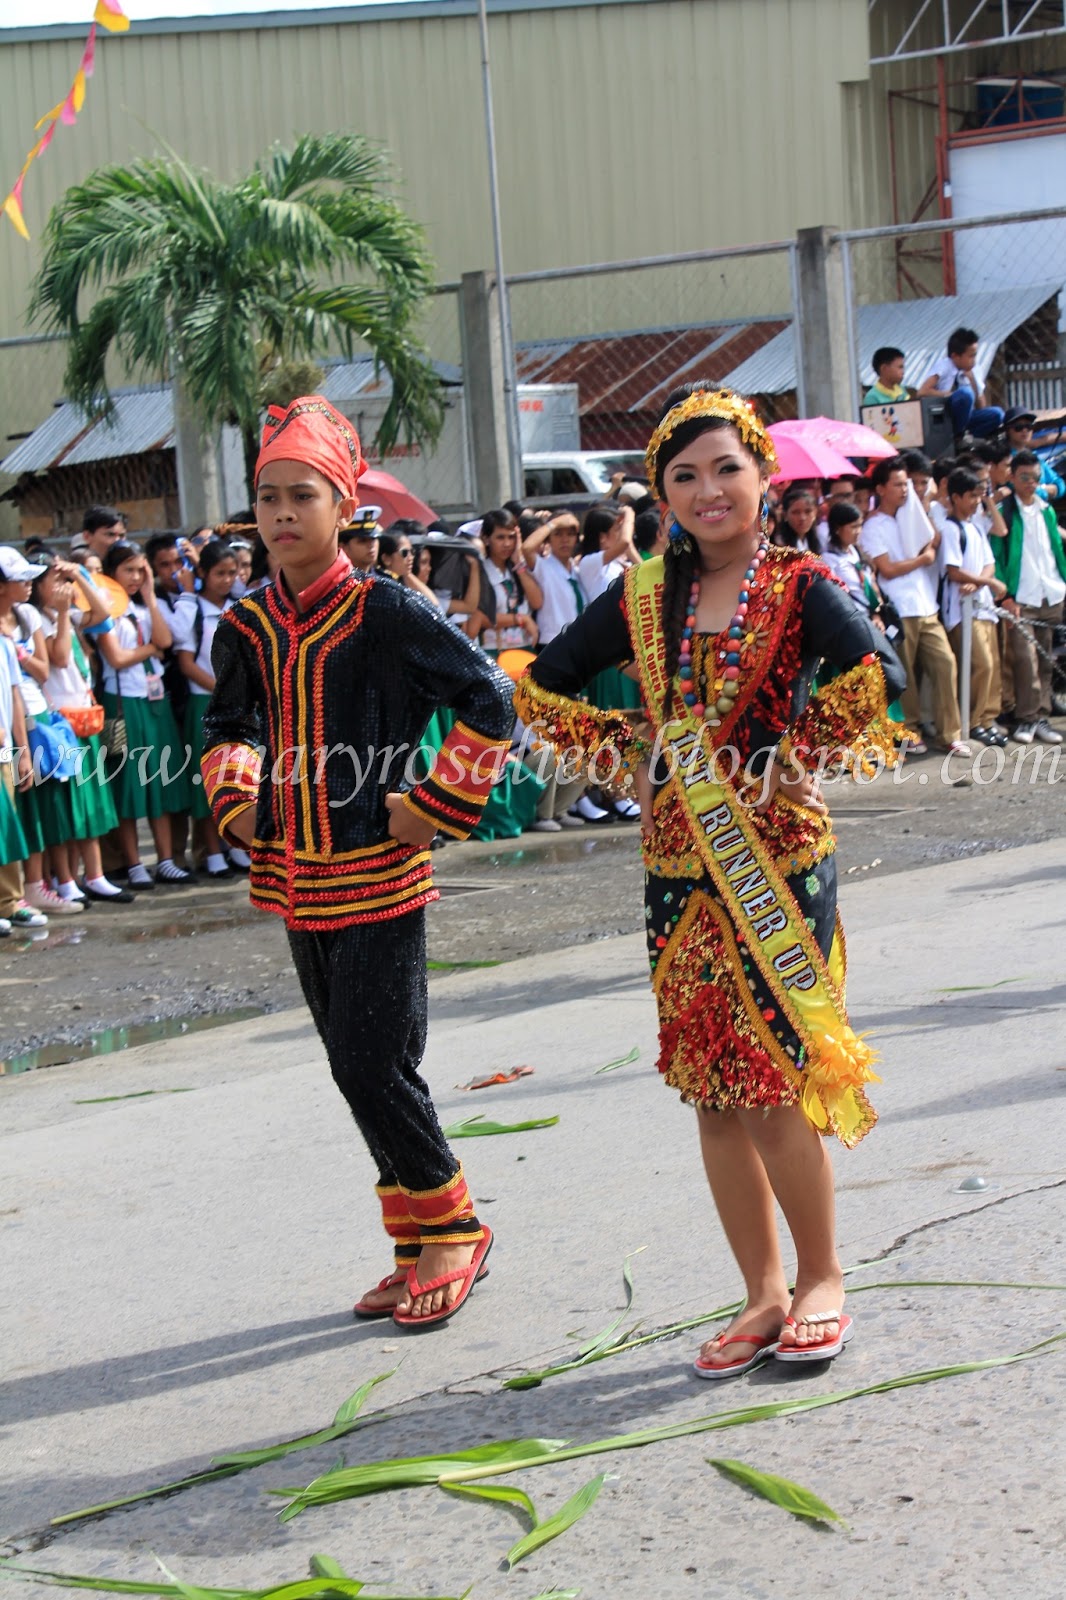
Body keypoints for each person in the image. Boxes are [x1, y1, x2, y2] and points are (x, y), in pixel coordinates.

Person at [517, 383, 905, 1374]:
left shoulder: (800, 584)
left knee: (773, 1080)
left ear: (764, 479)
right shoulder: (644, 596)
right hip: (679, 871)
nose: (706, 490)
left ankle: (821, 1275)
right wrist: (630, 757)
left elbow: (875, 682)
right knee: (712, 1090)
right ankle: (762, 1293)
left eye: (725, 468)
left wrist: (788, 760)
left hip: (776, 863)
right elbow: (543, 682)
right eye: (681, 476)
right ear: (660, 492)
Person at [201, 395, 513, 1328]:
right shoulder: (247, 623)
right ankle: (414, 1239)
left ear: (345, 508)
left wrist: (434, 806)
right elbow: (226, 726)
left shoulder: (386, 610)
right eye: (268, 498)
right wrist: (240, 800)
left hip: (379, 874)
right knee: (356, 1066)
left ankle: (455, 1225)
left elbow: (490, 698)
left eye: (304, 495)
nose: (284, 514)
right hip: (296, 875)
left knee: (375, 1059)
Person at [30, 553, 133, 902]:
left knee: (91, 804)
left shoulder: (70, 614)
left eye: (65, 582)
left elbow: (104, 614)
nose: (63, 588)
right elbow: (58, 657)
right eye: (54, 581)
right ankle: (67, 880)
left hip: (84, 717)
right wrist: (60, 613)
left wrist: (80, 577)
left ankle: (96, 875)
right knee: (66, 809)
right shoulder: (40, 620)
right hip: (60, 723)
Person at [97, 540, 195, 887]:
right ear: (112, 573)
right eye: (129, 570)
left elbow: (165, 640)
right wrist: (151, 648)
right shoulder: (103, 609)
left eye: (141, 570)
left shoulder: (142, 605)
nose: (136, 577)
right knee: (128, 783)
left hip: (154, 700)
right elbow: (117, 658)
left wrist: (151, 595)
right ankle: (135, 863)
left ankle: (166, 860)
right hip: (121, 704)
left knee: (161, 779)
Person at [860, 456, 968, 756]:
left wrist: (924, 512)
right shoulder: (872, 526)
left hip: (925, 604)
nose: (904, 490)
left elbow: (932, 537)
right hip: (899, 606)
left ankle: (950, 733)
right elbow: (887, 568)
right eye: (897, 484)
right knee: (904, 674)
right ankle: (911, 729)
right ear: (881, 488)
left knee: (945, 664)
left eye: (905, 483)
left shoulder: (911, 512)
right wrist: (922, 559)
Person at [171, 541, 243, 878]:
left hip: (239, 703)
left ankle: (237, 845)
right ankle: (212, 852)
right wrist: (223, 691)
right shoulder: (192, 611)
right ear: (202, 574)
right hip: (206, 702)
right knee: (207, 779)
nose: (227, 579)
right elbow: (186, 664)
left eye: (232, 573)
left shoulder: (241, 607)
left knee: (239, 774)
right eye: (219, 573)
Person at [993, 451, 1066, 746]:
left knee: (1046, 660)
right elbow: (997, 557)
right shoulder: (1004, 510)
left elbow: (1054, 551)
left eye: (1036, 478)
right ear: (1012, 477)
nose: (1031, 483)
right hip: (1020, 597)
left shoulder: (1045, 509)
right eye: (1024, 477)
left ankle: (1041, 717)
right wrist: (1006, 596)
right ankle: (1026, 717)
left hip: (1050, 592)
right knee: (1024, 660)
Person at [939, 468, 1009, 749]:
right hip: (960, 610)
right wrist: (986, 581)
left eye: (979, 495)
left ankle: (987, 720)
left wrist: (981, 581)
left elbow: (988, 561)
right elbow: (954, 571)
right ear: (955, 497)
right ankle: (974, 721)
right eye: (971, 496)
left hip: (983, 606)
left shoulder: (976, 526)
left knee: (992, 665)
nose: (976, 501)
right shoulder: (950, 528)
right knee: (981, 665)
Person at [918, 327, 1005, 440]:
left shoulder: (974, 370)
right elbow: (922, 392)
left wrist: (973, 380)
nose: (973, 360)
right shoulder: (944, 366)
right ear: (955, 356)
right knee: (965, 394)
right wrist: (948, 395)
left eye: (975, 355)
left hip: (966, 417)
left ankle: (968, 438)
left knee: (997, 414)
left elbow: (981, 406)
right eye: (970, 356)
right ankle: (957, 436)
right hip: (946, 413)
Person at [479, 510, 541, 655]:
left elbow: (537, 602)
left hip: (524, 649)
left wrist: (518, 563)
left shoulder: (519, 568)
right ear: (486, 539)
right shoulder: (480, 571)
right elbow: (481, 618)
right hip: (494, 651)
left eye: (511, 537)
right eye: (500, 537)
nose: (507, 544)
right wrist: (521, 619)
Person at [521, 511, 583, 646]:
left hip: (579, 643)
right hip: (553, 643)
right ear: (548, 539)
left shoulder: (578, 570)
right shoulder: (544, 566)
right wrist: (553, 523)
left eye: (570, 534)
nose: (565, 540)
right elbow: (526, 548)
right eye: (558, 534)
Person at [1002, 407, 1064, 502]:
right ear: (1008, 430)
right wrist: (1045, 490)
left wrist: (1042, 489)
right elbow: (1022, 490)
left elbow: (1060, 485)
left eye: (1029, 426)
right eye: (1018, 427)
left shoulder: (1034, 457)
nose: (1025, 431)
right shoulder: (1004, 458)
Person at [376, 528, 442, 611]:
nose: (411, 557)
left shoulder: (400, 581)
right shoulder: (382, 586)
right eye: (405, 553)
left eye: (412, 552)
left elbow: (435, 606)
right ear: (386, 559)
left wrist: (407, 573)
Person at [773, 486, 820, 553]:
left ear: (815, 513)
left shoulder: (820, 541)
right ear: (785, 515)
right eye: (796, 512)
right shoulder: (779, 544)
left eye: (808, 512)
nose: (802, 518)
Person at [338, 506, 382, 573]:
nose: (371, 545)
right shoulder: (335, 581)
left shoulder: (386, 581)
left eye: (373, 539)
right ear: (343, 547)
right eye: (362, 541)